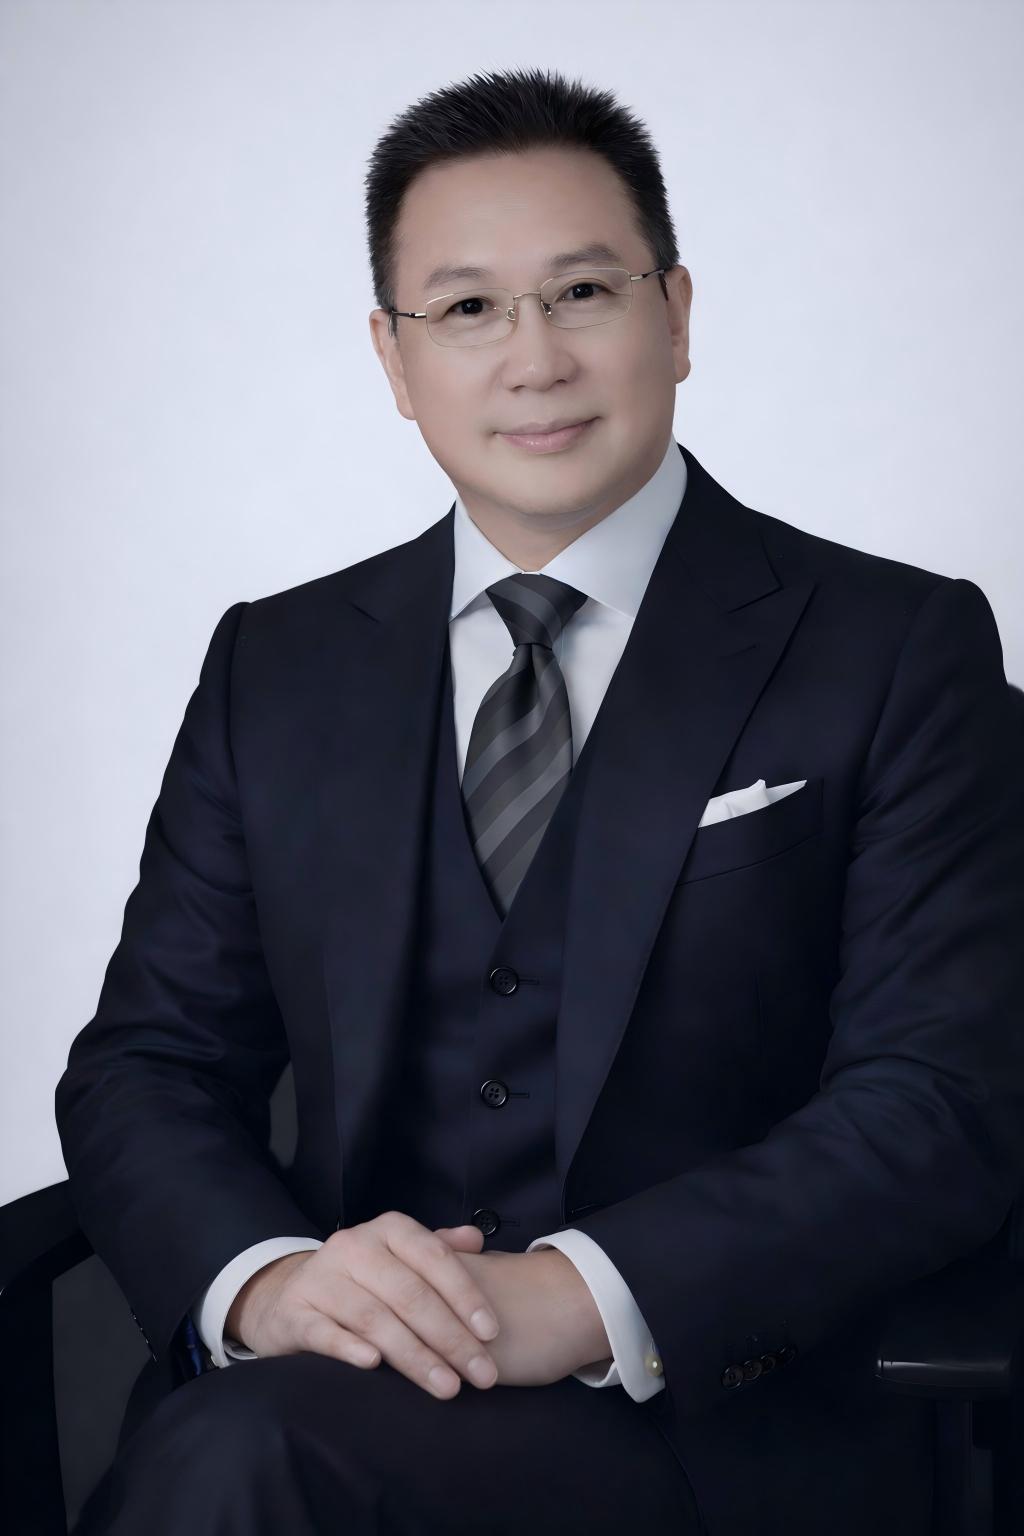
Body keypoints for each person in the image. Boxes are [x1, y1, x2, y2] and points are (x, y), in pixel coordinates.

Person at [56, 65, 1024, 1536]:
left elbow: (941, 1099)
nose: (534, 359)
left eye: (582, 292)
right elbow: (149, 1064)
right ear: (393, 360)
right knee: (245, 1450)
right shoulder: (279, 664)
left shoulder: (898, 647)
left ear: (676, 316)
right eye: (467, 308)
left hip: (714, 1428)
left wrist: (580, 1296)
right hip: (331, 1386)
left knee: (236, 1469)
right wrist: (275, 1284)